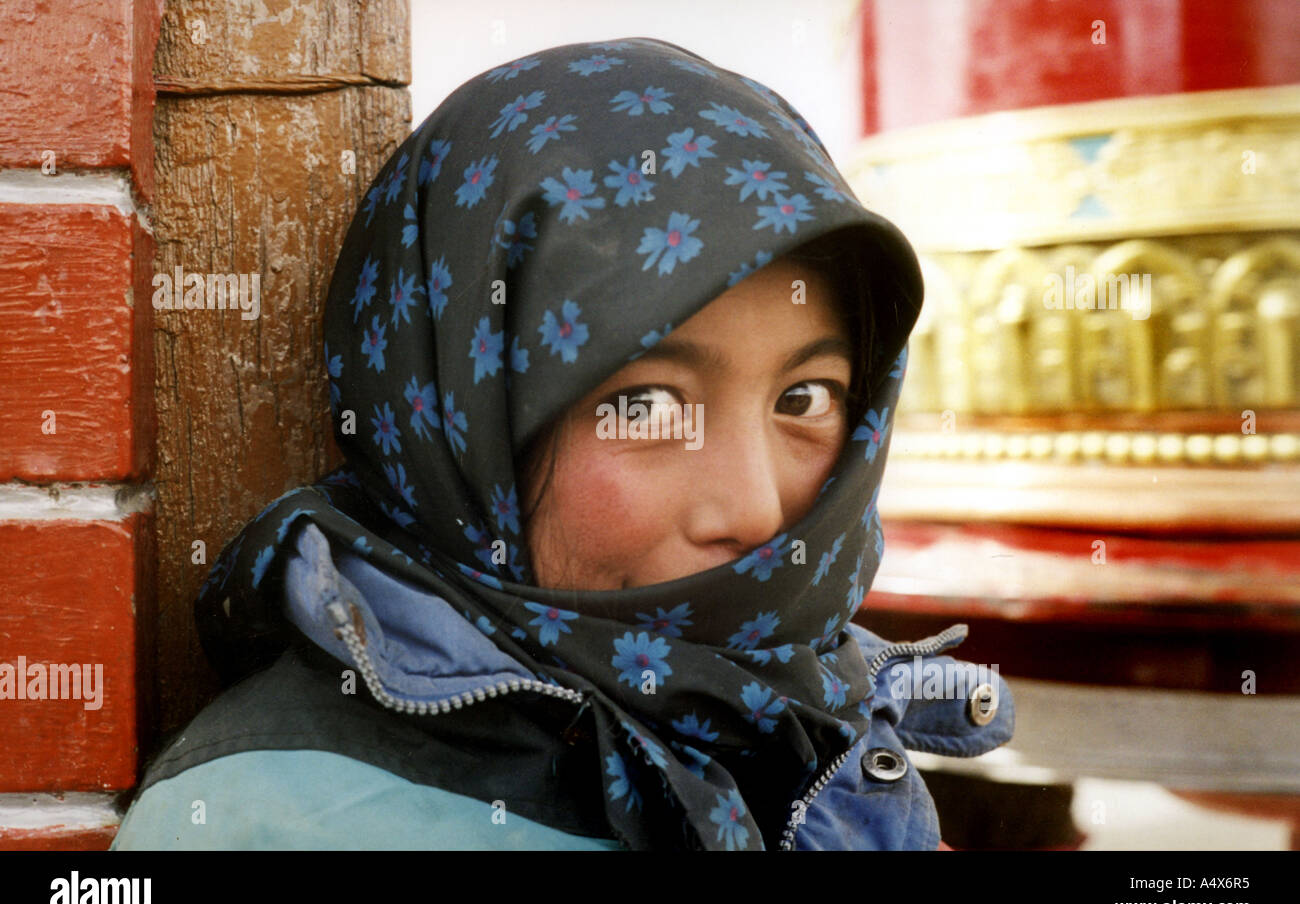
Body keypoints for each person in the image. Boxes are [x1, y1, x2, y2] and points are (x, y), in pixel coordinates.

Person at [111, 37, 1013, 851]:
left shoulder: (833, 727)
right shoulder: (261, 826)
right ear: (460, 428)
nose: (755, 508)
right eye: (648, 403)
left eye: (804, 397)